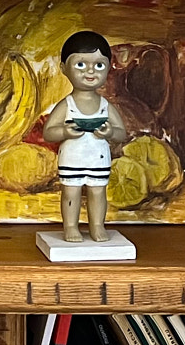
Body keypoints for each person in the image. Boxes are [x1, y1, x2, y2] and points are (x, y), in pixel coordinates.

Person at [41, 29, 129, 243]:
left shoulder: (105, 105)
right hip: (72, 158)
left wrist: (109, 132)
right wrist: (64, 131)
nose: (90, 71)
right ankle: (70, 227)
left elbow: (121, 133)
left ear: (108, 68)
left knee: (98, 192)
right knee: (71, 193)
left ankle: (97, 226)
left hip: (98, 159)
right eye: (80, 64)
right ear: (64, 68)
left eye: (99, 65)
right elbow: (48, 132)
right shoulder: (67, 105)